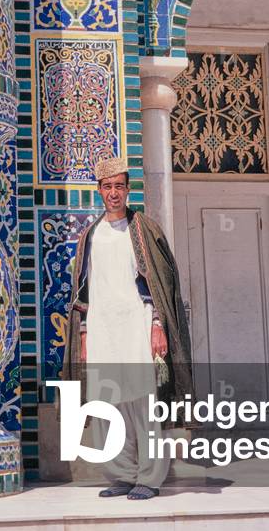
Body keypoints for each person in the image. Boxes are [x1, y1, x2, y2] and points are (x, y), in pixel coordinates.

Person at [60, 156, 192, 500]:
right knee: (108, 404)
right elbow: (84, 291)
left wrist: (157, 325)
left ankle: (149, 477)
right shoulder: (91, 235)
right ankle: (121, 474)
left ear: (128, 189)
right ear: (99, 190)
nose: (114, 192)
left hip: (137, 323)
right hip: (102, 328)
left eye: (119, 186)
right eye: (108, 187)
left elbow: (160, 285)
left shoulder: (144, 229)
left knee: (143, 402)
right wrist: (84, 336)